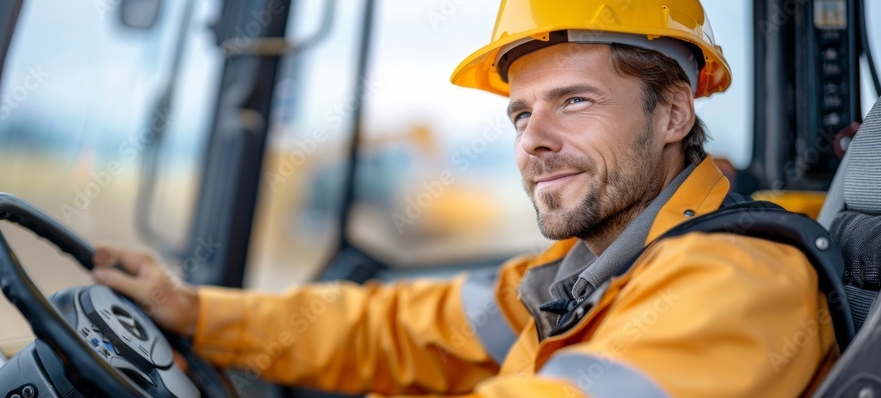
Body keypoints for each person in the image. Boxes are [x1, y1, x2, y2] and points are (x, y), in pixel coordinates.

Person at [92, 0, 837, 396]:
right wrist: (196, 312)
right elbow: (399, 327)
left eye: (573, 102)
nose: (533, 140)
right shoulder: (584, 274)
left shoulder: (739, 282)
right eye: (521, 113)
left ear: (674, 113)